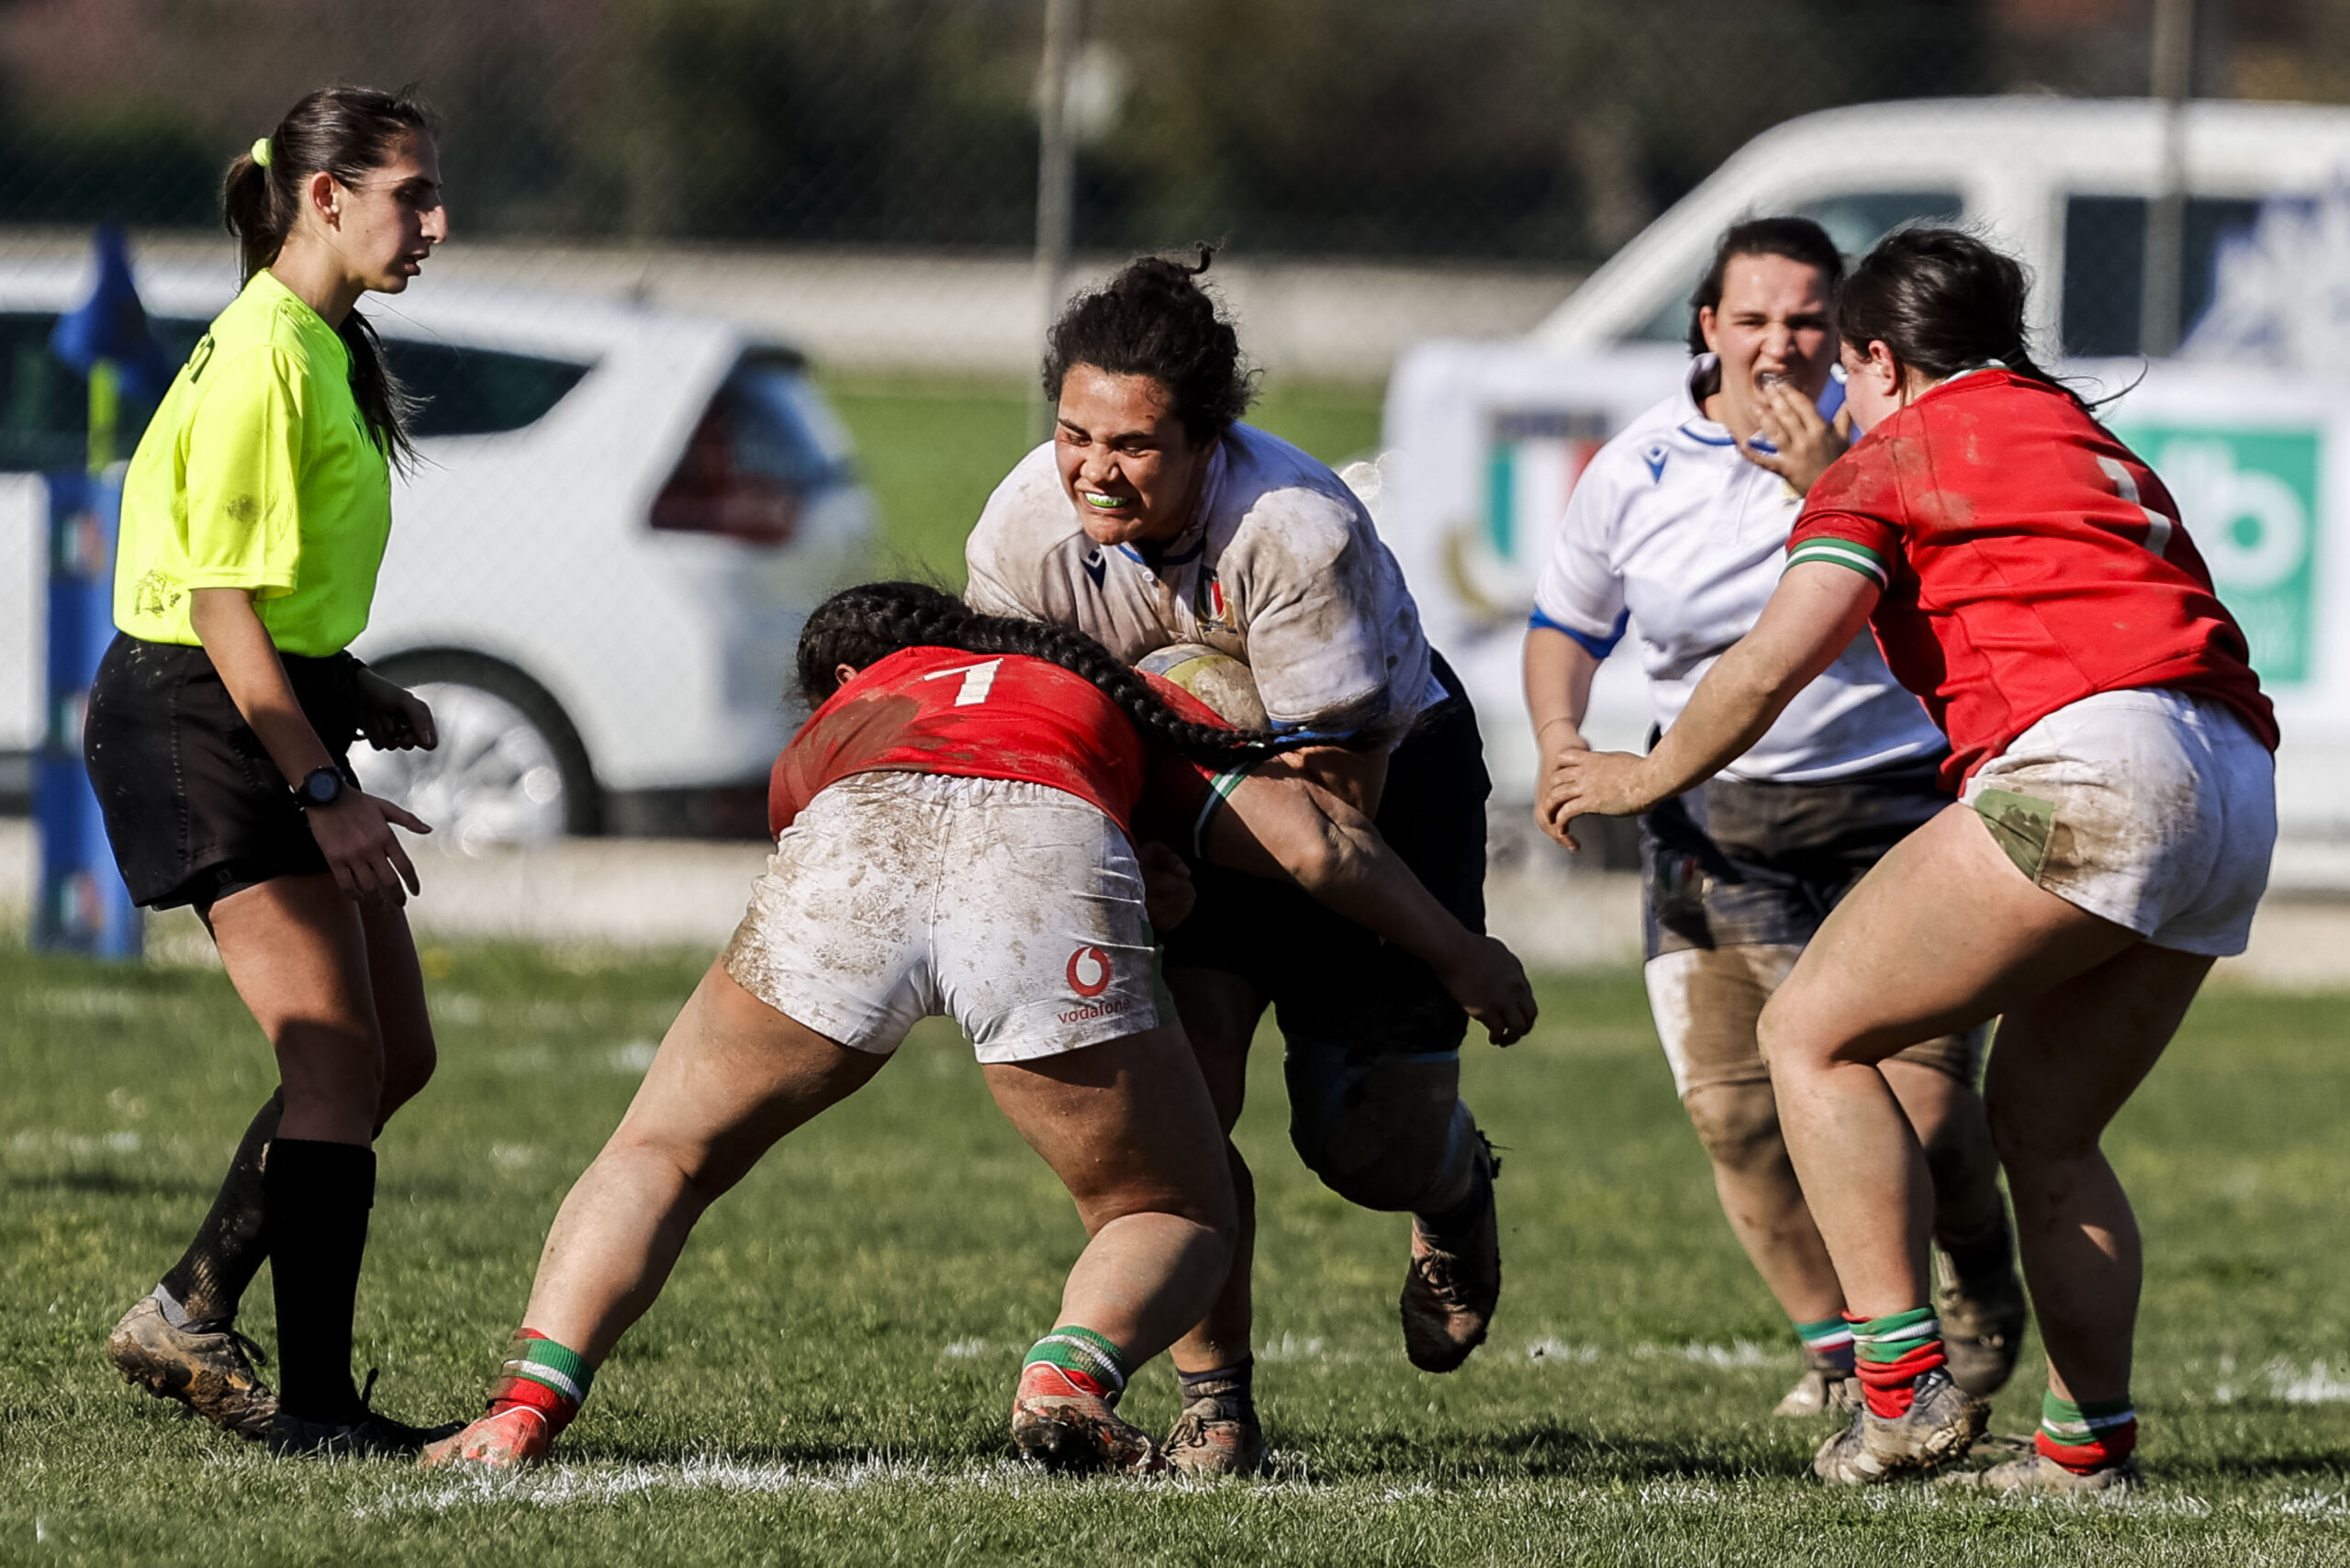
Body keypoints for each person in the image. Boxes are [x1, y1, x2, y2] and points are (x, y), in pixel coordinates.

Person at [420, 582, 1535, 1476]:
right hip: (1042, 843)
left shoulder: (853, 708)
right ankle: (1067, 1377)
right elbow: (1312, 842)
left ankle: (521, 1410)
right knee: (1171, 1207)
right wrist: (1459, 952)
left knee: (661, 1153)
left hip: (856, 835)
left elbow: (837, 840)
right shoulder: (1105, 685)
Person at [1545, 228, 2277, 1493]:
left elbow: (1772, 660)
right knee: (2047, 1130)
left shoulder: (1890, 453)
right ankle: (2086, 1454)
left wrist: (1641, 776)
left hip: (2092, 767)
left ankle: (1896, 1395)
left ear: (1879, 359)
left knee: (1808, 1036)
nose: (1833, 381)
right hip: (2234, 782)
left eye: (1843, 359)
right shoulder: (2081, 434)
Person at [965, 252, 1504, 1473]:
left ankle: (1453, 1189)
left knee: (1365, 1140)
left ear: (1210, 441)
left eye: (1134, 445)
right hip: (1179, 806)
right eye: (1074, 434)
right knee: (1185, 1116)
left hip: (1379, 795)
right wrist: (1145, 851)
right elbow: (1033, 747)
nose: (1094, 470)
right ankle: (1219, 1403)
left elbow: (1336, 811)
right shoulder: (1021, 531)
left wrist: (1454, 951)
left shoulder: (1295, 532)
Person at [1523, 218, 2024, 1419]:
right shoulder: (1638, 468)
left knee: (1924, 1106)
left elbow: (1951, 603)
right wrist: (1558, 741)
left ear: (1848, 333)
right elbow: (1566, 626)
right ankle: (1842, 1355)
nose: (1780, 344)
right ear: (1708, 327)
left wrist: (1830, 484)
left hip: (1894, 808)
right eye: (1752, 319)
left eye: (1807, 320)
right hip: (1713, 825)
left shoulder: (1893, 440)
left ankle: (1976, 1268)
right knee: (1738, 1118)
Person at [87, 86, 459, 1459]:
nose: (434, 222)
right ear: (324, 196)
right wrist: (324, 790)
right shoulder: (264, 355)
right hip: (201, 722)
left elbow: (272, 598)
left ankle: (185, 1310)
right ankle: (313, 1408)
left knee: (391, 1055)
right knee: (337, 1060)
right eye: (411, 195)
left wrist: (349, 689)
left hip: (265, 703)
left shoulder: (321, 338)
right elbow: (217, 604)